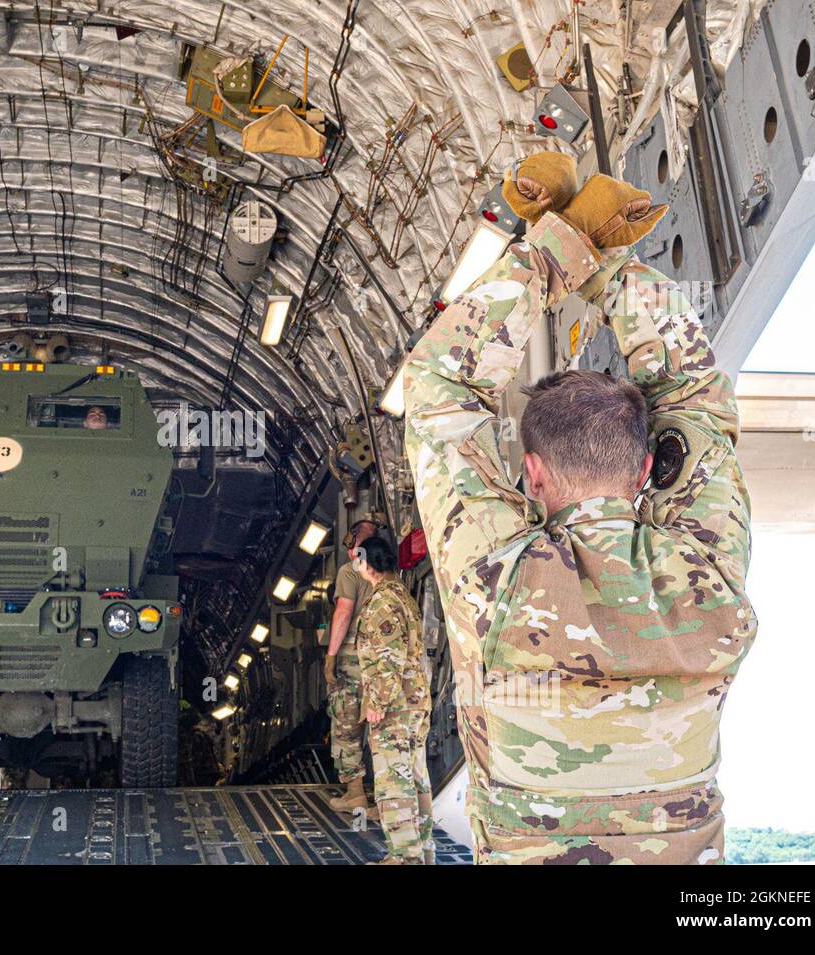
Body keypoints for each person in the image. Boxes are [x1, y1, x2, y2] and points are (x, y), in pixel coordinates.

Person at [402, 158, 756, 864]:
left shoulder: (494, 582)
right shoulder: (707, 572)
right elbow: (693, 392)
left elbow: (436, 382)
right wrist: (580, 257)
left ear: (531, 476)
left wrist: (561, 252)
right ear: (650, 468)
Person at [353, 536, 433, 864]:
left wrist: (377, 703)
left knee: (393, 782)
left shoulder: (383, 602)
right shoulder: (401, 594)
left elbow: (389, 655)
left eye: (357, 558)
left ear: (369, 564)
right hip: (414, 700)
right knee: (416, 777)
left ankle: (404, 856)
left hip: (395, 706)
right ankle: (422, 849)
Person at [323, 517, 377, 813]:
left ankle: (355, 792)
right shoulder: (387, 573)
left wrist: (331, 656)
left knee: (346, 724)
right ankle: (387, 797)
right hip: (379, 661)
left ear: (351, 541)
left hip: (352, 661)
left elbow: (343, 613)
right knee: (380, 726)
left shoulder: (350, 571)